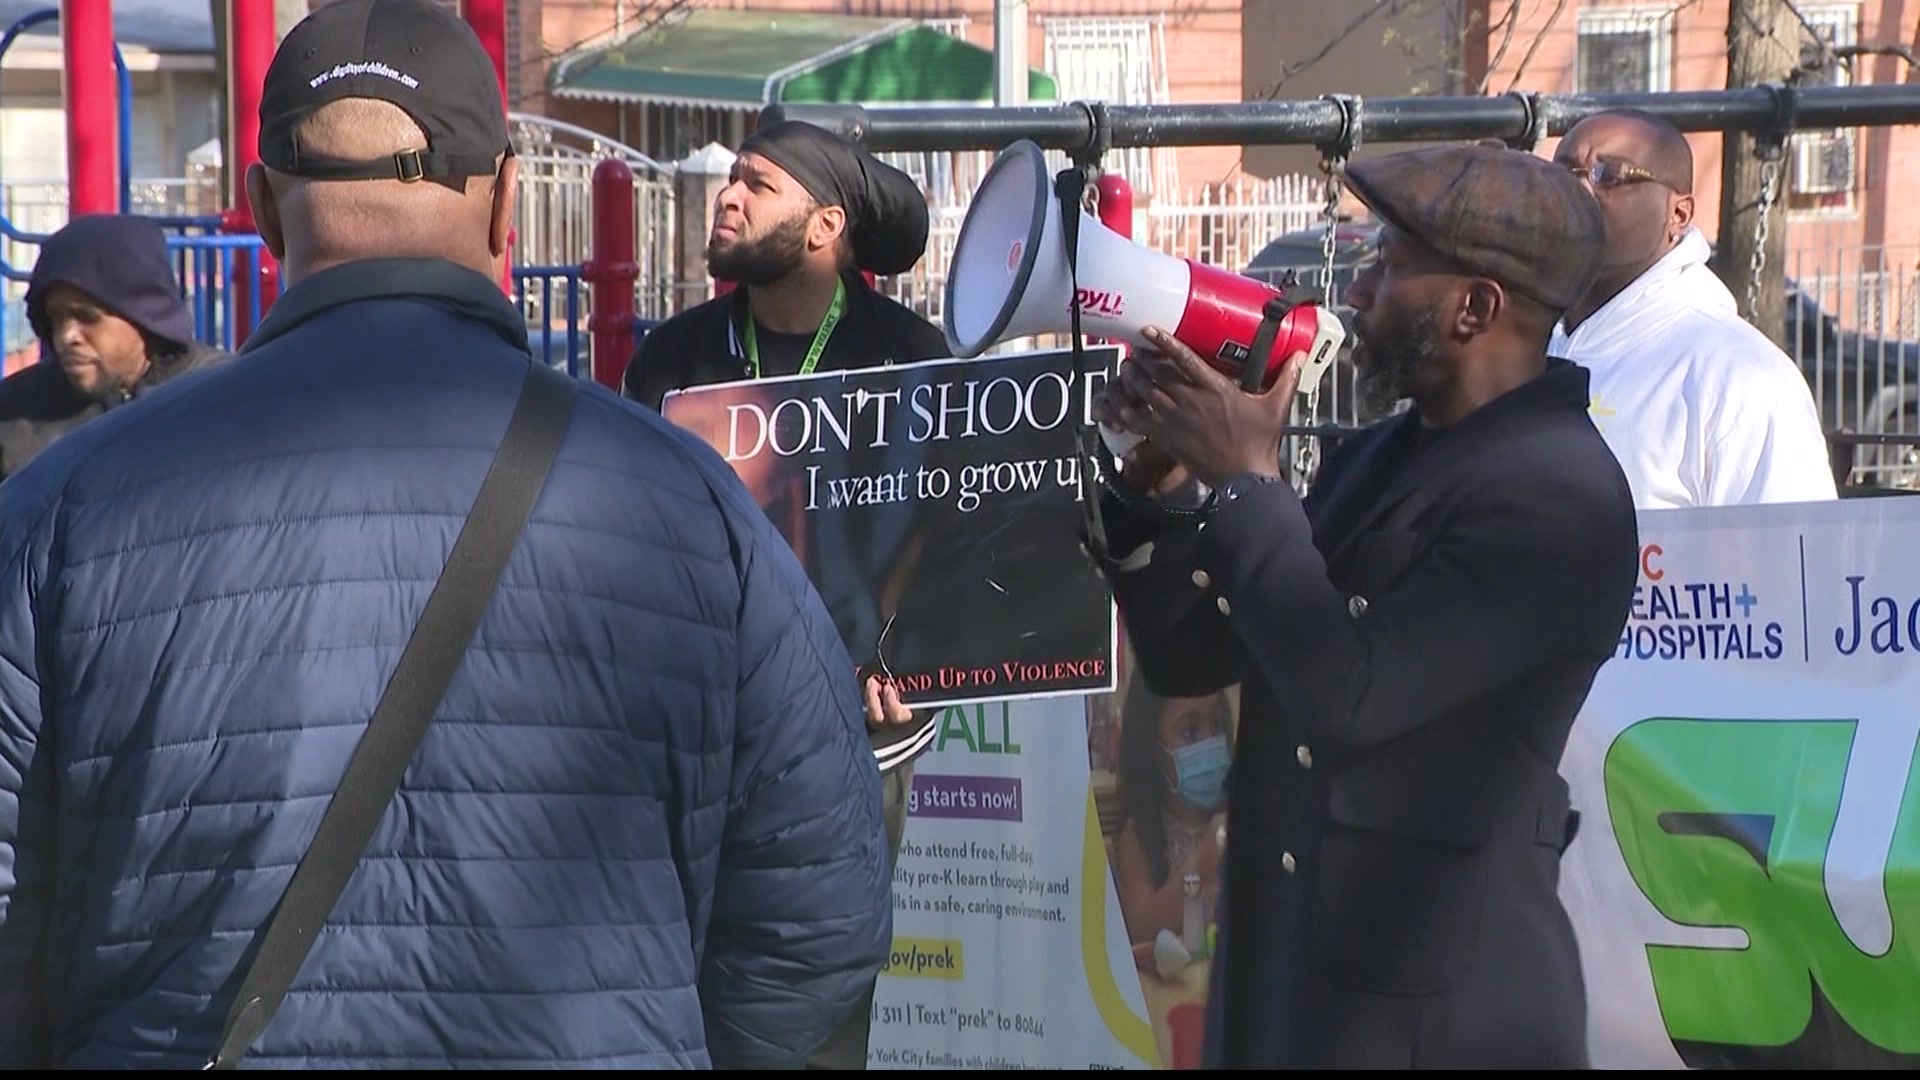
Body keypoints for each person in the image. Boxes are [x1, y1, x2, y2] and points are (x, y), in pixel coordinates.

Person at [0, 0, 888, 1069]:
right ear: (510, 200)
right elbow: (819, 915)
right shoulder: (699, 512)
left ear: (263, 212)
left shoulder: (64, 508)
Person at [1091, 141, 1640, 1069]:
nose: (1353, 295)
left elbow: (1349, 697)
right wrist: (1164, 483)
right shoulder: (1377, 455)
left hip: (1438, 1021)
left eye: (1387, 268)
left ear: (1476, 306)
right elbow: (1198, 660)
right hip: (1286, 992)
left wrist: (1249, 481)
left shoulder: (1559, 497)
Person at [623, 118, 949, 1071]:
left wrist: (919, 658)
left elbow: (948, 542)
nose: (728, 196)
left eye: (757, 184)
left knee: (824, 1000)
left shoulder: (910, 353)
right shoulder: (673, 361)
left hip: (866, 738)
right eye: (730, 178)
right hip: (707, 734)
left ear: (824, 227)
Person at [1550, 108, 1837, 508]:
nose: (1579, 190)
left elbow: (1794, 556)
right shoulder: (1529, 345)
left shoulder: (1740, 376)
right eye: (1565, 173)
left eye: (1610, 175)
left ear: (1679, 214)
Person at [0, 214, 228, 480]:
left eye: (87, 317)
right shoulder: (12, 413)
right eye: (55, 318)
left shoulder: (230, 396)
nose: (66, 336)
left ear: (143, 315)